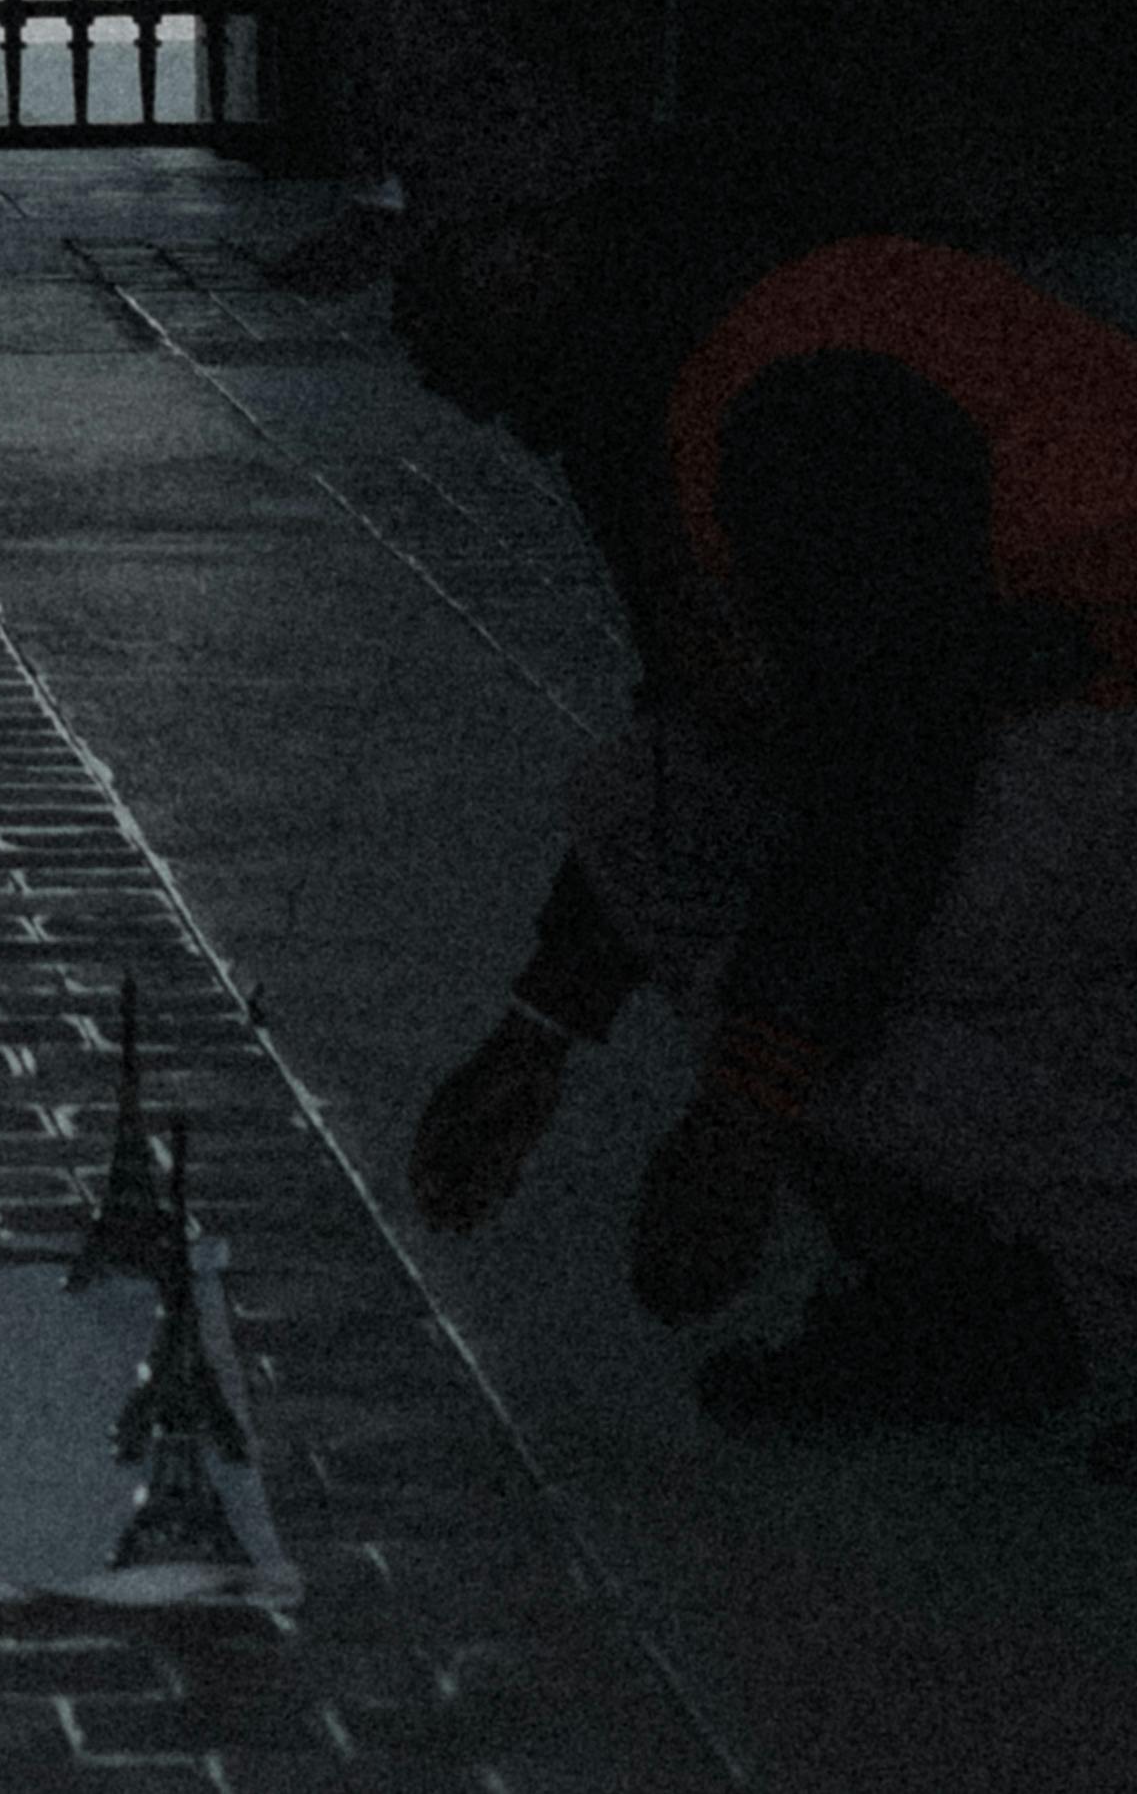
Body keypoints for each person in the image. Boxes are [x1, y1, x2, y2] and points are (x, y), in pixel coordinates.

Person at [395, 156, 1137, 1436]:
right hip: (1032, 695)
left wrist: (743, 1105)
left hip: (1091, 709)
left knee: (836, 999)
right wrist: (542, 1028)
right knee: (652, 810)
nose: (537, 449)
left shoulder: (792, 401)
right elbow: (720, 727)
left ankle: (1023, 1270)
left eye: (522, 412)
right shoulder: (717, 339)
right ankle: (949, 1291)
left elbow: (891, 765)